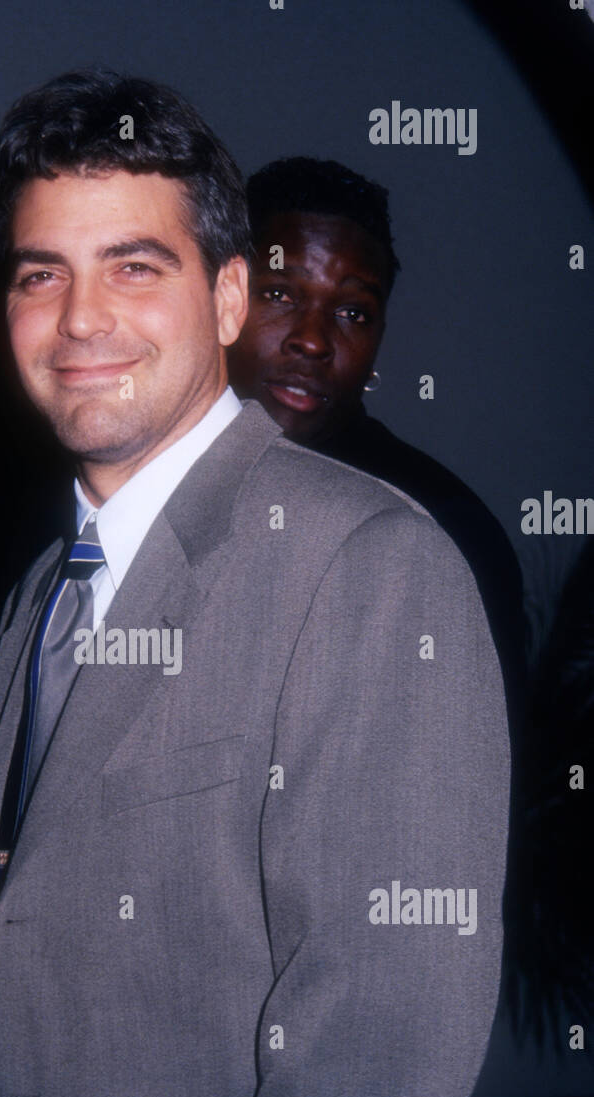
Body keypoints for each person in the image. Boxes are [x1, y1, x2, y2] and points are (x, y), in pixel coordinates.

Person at [0, 69, 509, 1097]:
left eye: (134, 267)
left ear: (226, 295)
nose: (79, 320)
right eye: (39, 272)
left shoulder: (373, 568)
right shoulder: (42, 589)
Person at [228, 157, 526, 706]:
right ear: (222, 296)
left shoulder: (444, 530)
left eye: (352, 313)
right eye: (279, 294)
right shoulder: (121, 486)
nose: (313, 340)